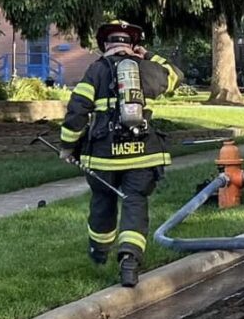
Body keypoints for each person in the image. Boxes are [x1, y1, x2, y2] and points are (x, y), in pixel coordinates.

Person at [58, 20, 184, 287]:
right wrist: (148, 55)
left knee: (103, 200)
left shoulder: (96, 70)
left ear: (105, 44)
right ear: (133, 45)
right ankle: (129, 261)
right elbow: (175, 75)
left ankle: (99, 253)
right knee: (135, 201)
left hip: (104, 157)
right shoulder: (145, 69)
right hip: (142, 155)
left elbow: (77, 111)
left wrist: (68, 147)